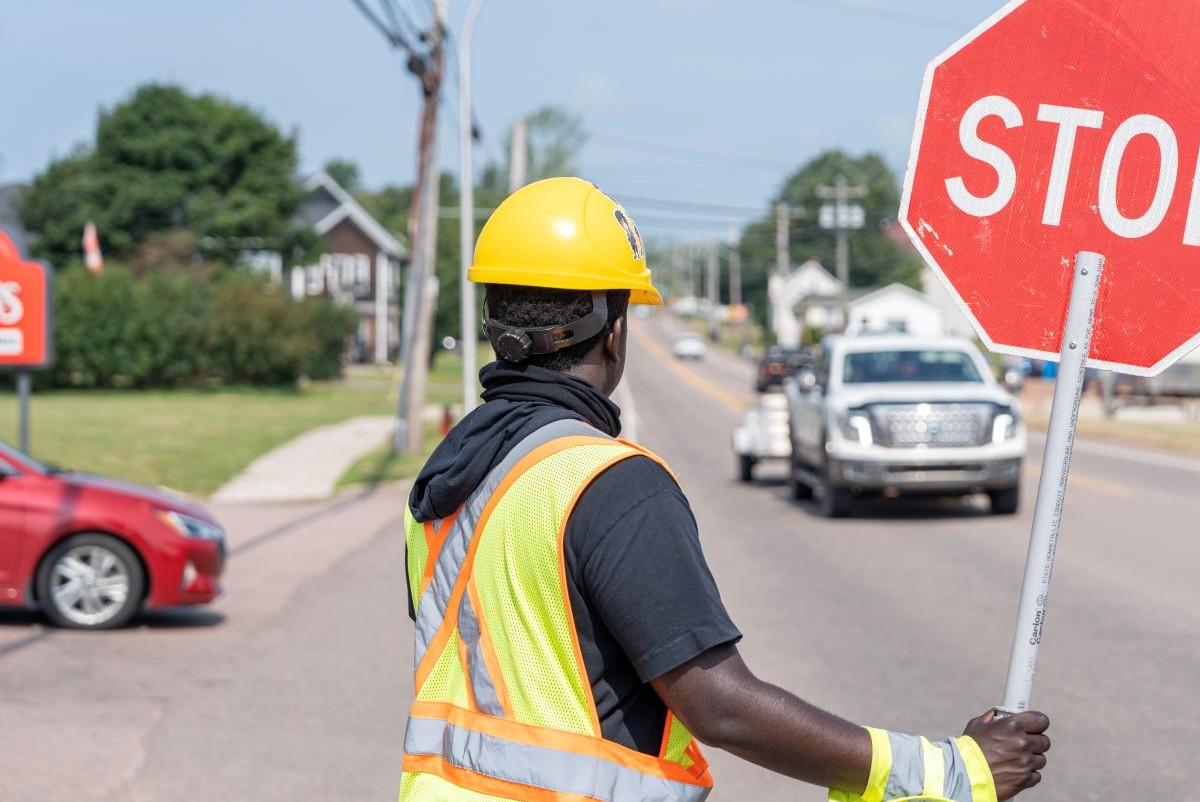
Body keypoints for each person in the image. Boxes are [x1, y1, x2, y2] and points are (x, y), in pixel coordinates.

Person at [399, 177, 1051, 802]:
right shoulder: (608, 484)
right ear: (616, 327)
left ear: (494, 322)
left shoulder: (451, 480)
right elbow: (720, 706)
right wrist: (945, 770)